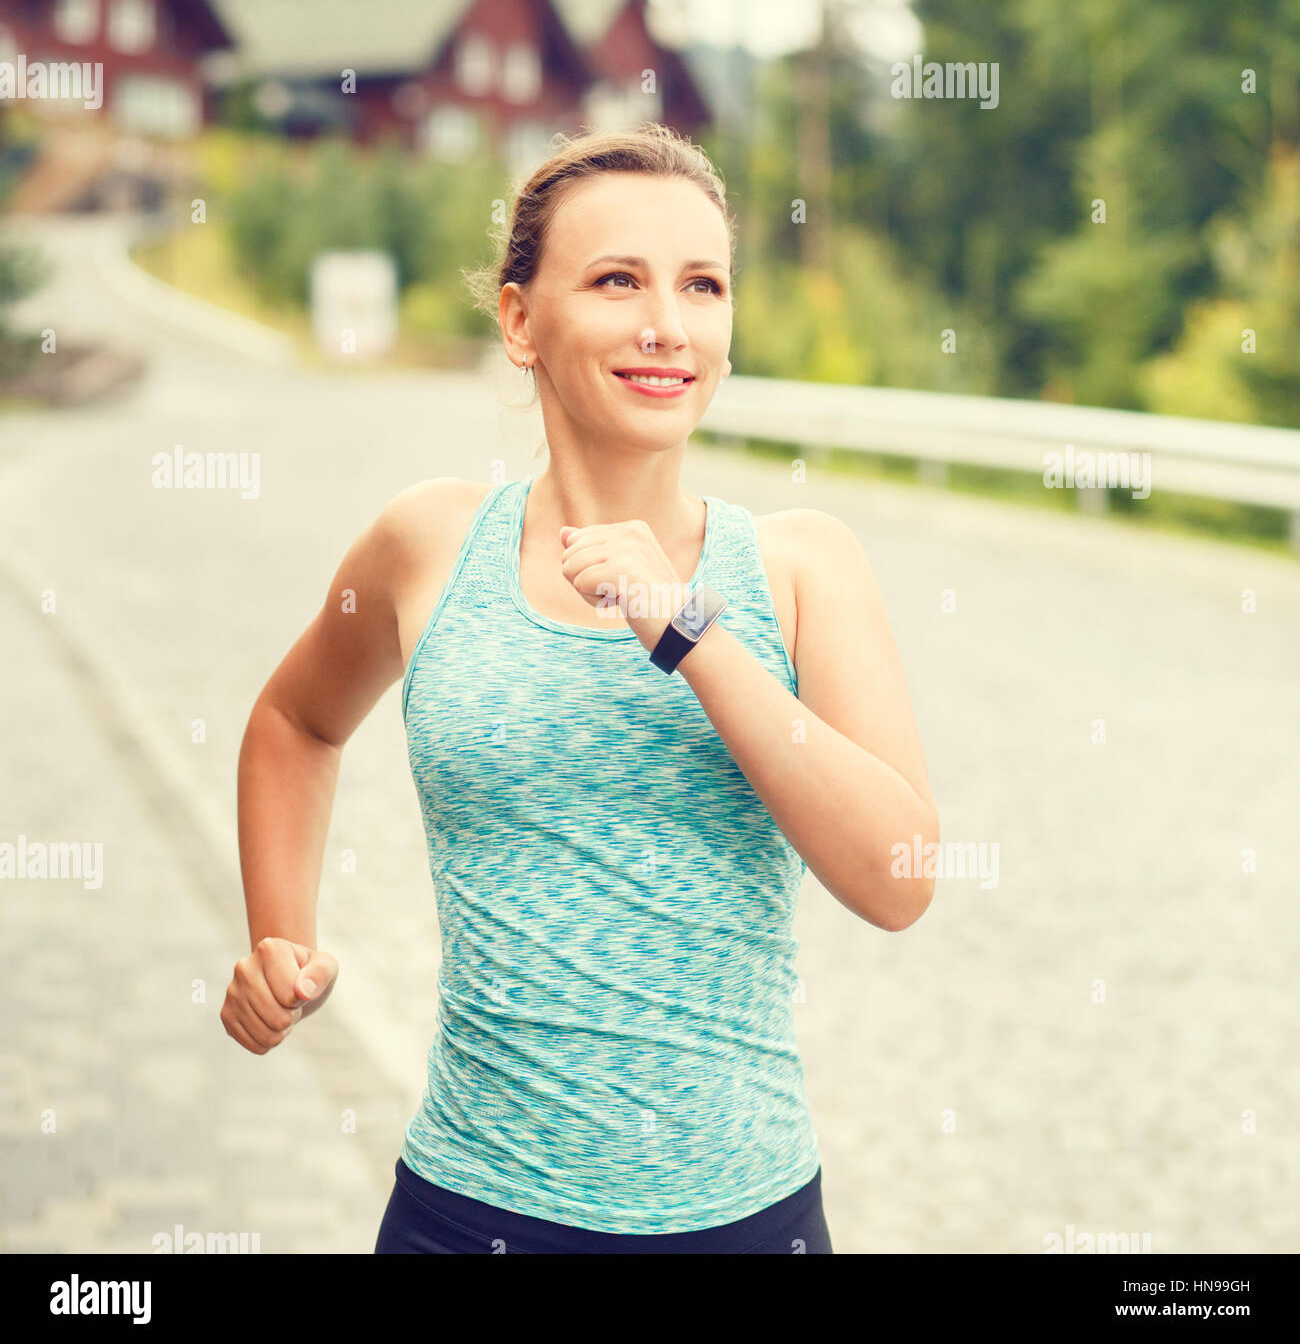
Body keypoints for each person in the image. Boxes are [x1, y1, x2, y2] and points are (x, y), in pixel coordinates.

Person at [221, 123, 939, 1254]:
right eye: (617, 280)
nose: (667, 322)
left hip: (740, 1220)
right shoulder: (426, 545)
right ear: (519, 321)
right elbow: (295, 721)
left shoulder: (800, 566)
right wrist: (278, 934)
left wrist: (687, 629)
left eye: (702, 285)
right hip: (467, 1212)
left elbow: (900, 879)